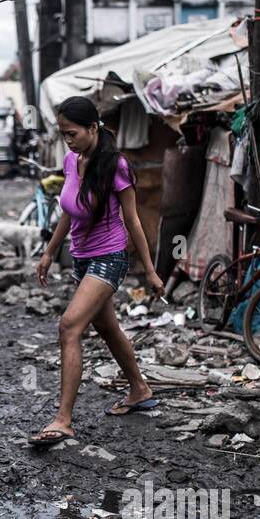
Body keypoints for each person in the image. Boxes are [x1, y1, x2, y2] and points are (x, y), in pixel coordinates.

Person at [29, 95, 163, 447]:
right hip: (82, 258)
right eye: (63, 134)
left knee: (69, 326)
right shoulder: (72, 161)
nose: (68, 141)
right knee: (106, 326)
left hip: (111, 257)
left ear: (93, 128)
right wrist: (48, 253)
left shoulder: (116, 165)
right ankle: (139, 389)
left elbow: (132, 220)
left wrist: (150, 270)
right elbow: (69, 212)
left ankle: (63, 420)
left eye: (72, 133)